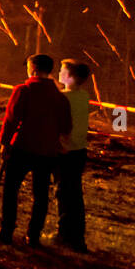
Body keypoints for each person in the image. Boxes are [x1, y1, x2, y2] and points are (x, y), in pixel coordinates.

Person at [0, 53, 72, 247]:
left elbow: (11, 119)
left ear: (34, 69)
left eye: (29, 68)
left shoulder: (23, 90)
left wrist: (5, 143)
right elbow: (66, 127)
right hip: (47, 152)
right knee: (40, 195)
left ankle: (6, 231)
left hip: (22, 147)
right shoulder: (60, 98)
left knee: (11, 190)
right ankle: (33, 235)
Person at [55, 59, 92, 253]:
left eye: (62, 70)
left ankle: (64, 235)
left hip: (65, 150)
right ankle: (77, 236)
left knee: (64, 193)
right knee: (75, 194)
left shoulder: (63, 98)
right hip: (80, 150)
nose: (59, 73)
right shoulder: (83, 96)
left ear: (70, 76)